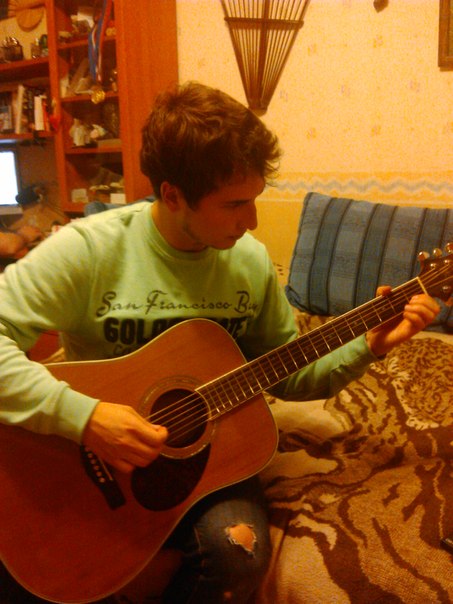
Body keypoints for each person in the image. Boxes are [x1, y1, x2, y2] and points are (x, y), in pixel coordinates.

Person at [0, 82, 440, 604]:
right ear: (172, 195)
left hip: (209, 454)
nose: (251, 222)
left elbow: (289, 374)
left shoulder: (248, 262)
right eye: (234, 204)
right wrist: (85, 416)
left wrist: (370, 345)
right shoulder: (88, 250)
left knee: (238, 557)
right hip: (89, 458)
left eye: (255, 200)